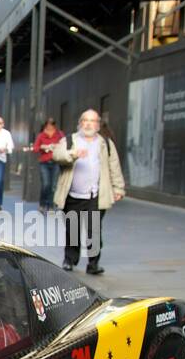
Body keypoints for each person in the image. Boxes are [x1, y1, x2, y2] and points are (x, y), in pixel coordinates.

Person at [52, 108, 125, 275]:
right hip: (72, 195)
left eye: (92, 121)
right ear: (80, 123)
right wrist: (73, 154)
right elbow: (57, 155)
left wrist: (118, 188)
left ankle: (93, 264)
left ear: (98, 125)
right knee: (73, 230)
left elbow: (114, 167)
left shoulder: (105, 143)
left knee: (94, 231)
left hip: (95, 196)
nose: (89, 124)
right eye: (85, 120)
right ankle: (70, 260)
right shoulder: (69, 140)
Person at [33, 117, 64, 212]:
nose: (50, 127)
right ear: (46, 125)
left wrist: (57, 146)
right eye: (48, 125)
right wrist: (43, 147)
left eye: (52, 125)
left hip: (56, 162)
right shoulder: (41, 135)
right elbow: (35, 148)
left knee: (53, 185)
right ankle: (42, 204)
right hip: (44, 163)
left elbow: (65, 145)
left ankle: (50, 205)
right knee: (46, 184)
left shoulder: (59, 134)